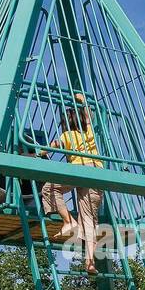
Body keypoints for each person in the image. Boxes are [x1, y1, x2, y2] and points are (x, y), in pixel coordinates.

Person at [40, 93, 103, 274]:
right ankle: (90, 262)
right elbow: (89, 117)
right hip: (97, 173)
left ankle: (68, 221)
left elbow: (51, 146)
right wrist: (83, 101)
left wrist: (39, 152)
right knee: (90, 220)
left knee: (49, 188)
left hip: (78, 170)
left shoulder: (67, 135)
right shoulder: (89, 132)